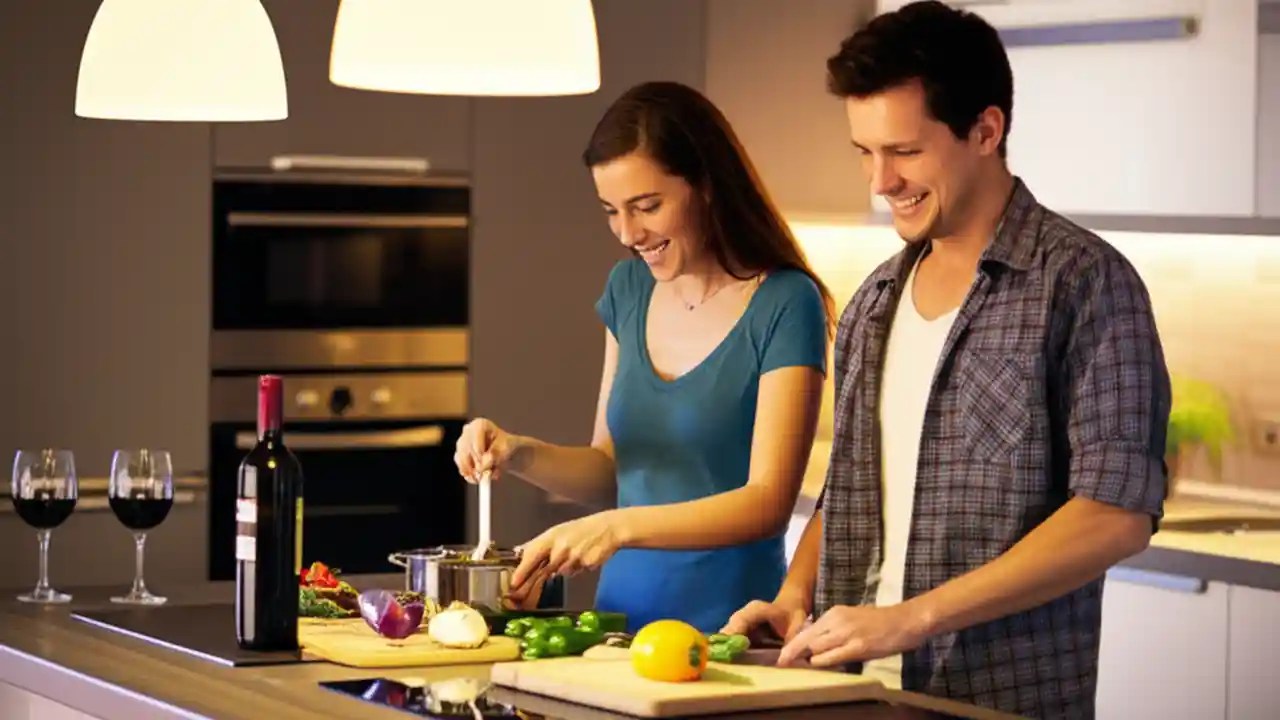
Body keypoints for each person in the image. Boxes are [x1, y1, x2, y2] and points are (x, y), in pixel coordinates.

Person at [722, 2, 1171, 717]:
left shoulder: (1085, 283)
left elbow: (1115, 512)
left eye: (903, 151)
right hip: (856, 691)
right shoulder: (873, 302)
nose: (880, 181)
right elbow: (853, 487)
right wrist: (793, 598)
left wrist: (910, 617)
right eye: (864, 153)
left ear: (985, 130)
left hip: (997, 699)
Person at [453, 80, 836, 633]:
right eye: (612, 210)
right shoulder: (629, 288)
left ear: (705, 183)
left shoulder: (784, 302)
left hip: (731, 632)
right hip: (617, 625)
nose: (629, 233)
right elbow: (610, 469)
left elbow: (767, 501)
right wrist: (517, 452)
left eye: (647, 206)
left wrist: (618, 528)